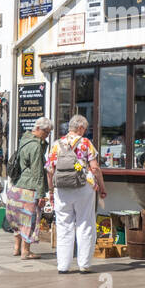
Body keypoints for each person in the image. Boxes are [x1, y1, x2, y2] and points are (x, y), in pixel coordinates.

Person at [45, 115, 107, 274]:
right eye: (84, 129)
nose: (85, 132)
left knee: (64, 226)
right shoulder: (86, 143)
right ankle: (84, 264)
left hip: (62, 190)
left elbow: (50, 171)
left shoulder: (56, 145)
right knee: (85, 224)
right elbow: (95, 168)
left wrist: (51, 190)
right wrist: (102, 186)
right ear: (80, 128)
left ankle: (63, 266)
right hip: (83, 187)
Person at [7, 117, 52, 259]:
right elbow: (37, 172)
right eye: (46, 132)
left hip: (16, 187)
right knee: (28, 220)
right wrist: (41, 194)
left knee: (17, 220)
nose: (47, 135)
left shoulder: (24, 140)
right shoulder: (36, 146)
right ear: (38, 129)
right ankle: (26, 251)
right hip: (29, 189)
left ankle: (16, 248)